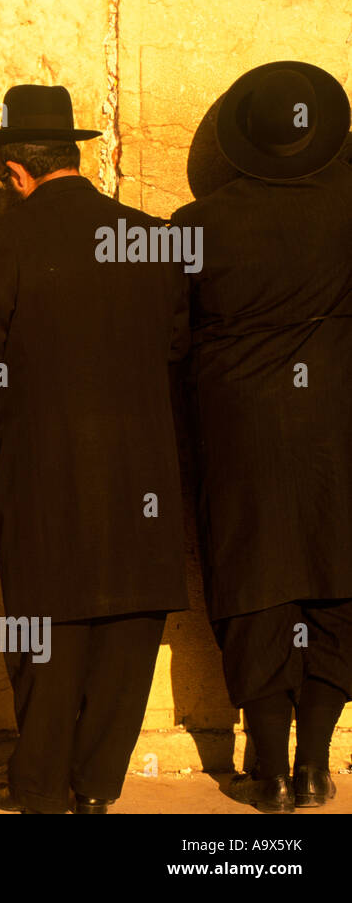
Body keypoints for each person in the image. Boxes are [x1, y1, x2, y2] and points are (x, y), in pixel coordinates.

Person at [0, 84, 188, 814]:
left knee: (45, 622)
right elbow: (175, 343)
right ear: (78, 156)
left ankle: (41, 788)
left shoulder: (4, 242)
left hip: (42, 467)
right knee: (128, 623)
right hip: (139, 466)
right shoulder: (149, 236)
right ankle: (95, 787)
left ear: (13, 172)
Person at [171, 62, 352, 813]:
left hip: (236, 426)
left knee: (252, 586)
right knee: (336, 581)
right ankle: (316, 764)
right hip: (334, 425)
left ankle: (266, 768)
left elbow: (171, 336)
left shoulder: (196, 225)